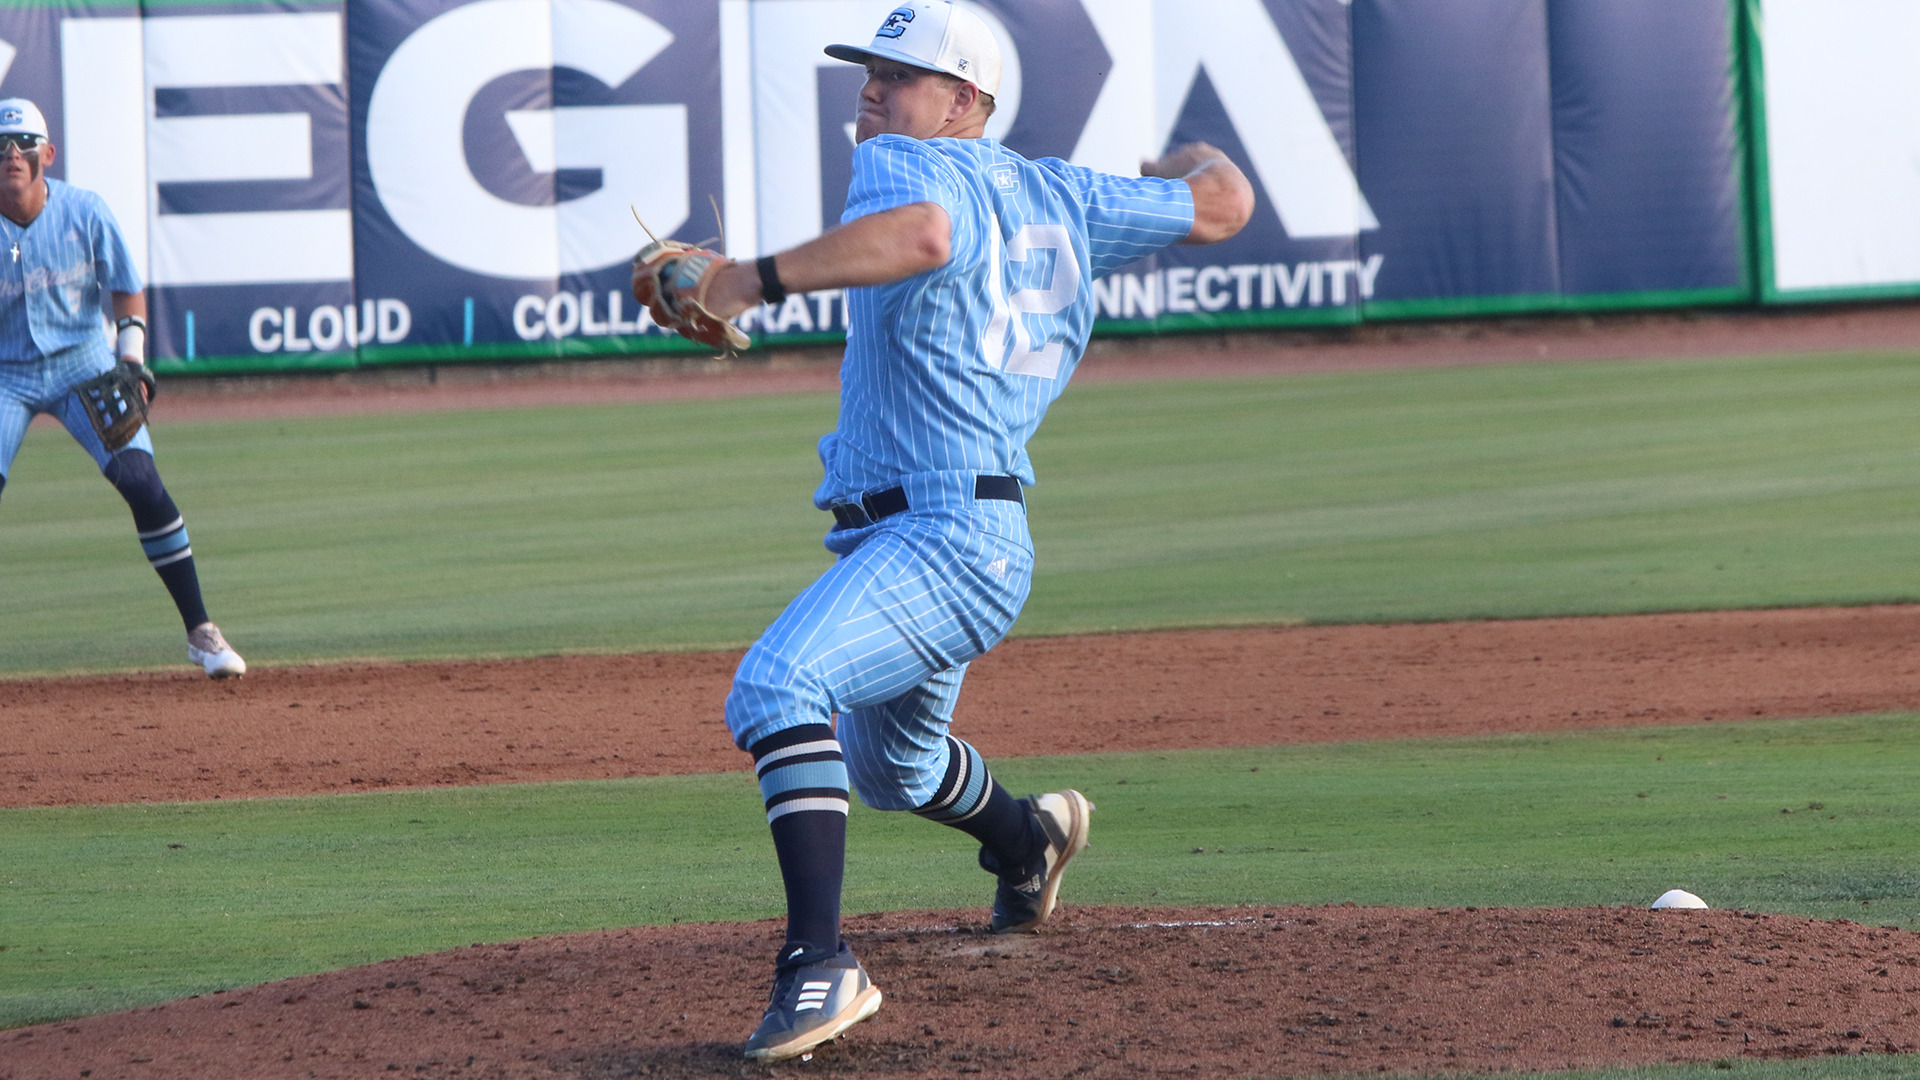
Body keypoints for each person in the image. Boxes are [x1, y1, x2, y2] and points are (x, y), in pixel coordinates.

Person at [662, 1, 1251, 1061]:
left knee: (778, 688)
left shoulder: (901, 163)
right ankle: (1030, 837)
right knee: (892, 769)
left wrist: (746, 278)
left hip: (941, 536)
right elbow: (1223, 203)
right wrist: (1188, 157)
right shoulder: (1065, 192)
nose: (876, 93)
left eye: (904, 75)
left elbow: (925, 235)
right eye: (870, 73)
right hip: (965, 538)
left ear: (968, 104)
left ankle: (818, 965)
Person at [0, 98, 245, 679]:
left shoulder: (85, 211)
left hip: (83, 361)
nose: (11, 154)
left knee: (141, 480)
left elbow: (127, 290)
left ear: (47, 154)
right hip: (6, 372)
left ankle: (201, 633)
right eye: (0, 146)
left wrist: (130, 360)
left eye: (24, 144)